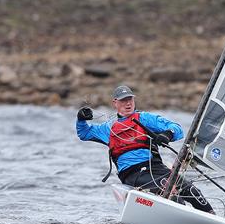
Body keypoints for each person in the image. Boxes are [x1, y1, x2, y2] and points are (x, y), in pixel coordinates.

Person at [76, 85, 214, 214]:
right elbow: (84, 133)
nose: (128, 103)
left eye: (130, 99)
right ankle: (180, 223)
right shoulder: (108, 128)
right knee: (170, 195)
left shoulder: (145, 118)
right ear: (115, 103)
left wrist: (167, 134)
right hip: (132, 174)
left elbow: (176, 129)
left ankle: (213, 219)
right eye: (123, 101)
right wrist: (81, 119)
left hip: (156, 168)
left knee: (191, 190)